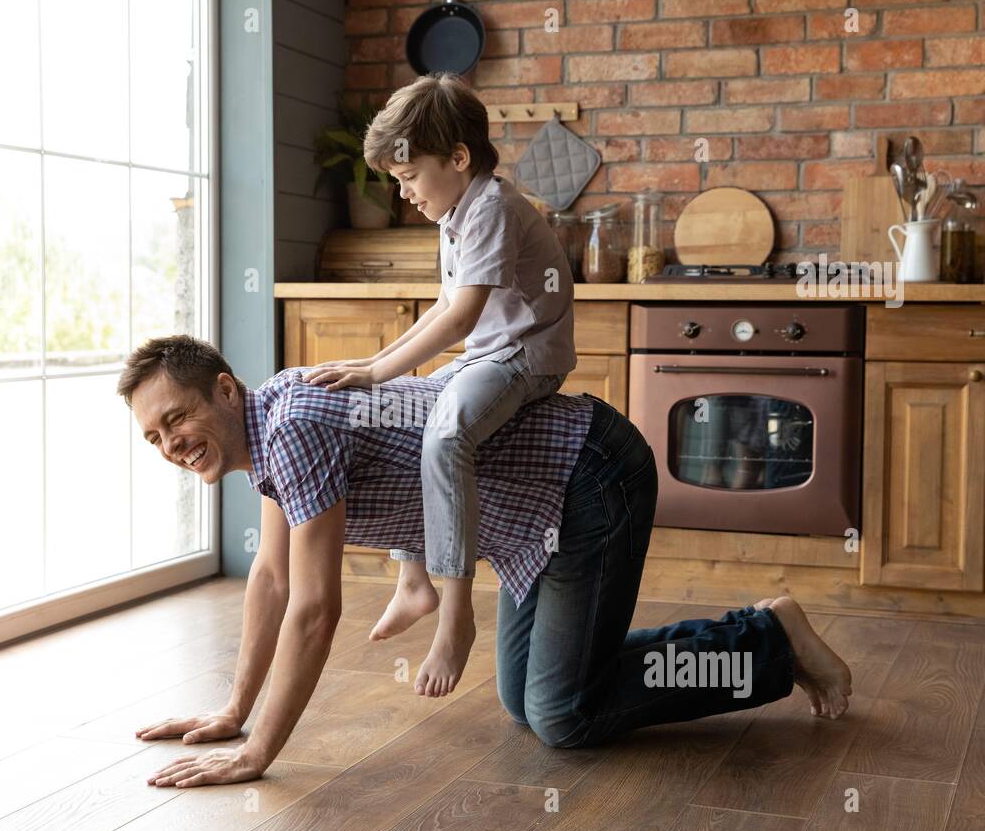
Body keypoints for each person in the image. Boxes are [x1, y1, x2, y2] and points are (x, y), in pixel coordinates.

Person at [117, 337, 853, 790]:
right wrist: (233, 713)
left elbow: (314, 610)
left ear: (222, 388)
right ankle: (757, 635)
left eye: (176, 418)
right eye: (153, 437)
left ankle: (767, 644)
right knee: (527, 701)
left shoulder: (294, 425)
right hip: (534, 514)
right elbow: (273, 582)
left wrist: (257, 755)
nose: (170, 444)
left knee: (565, 714)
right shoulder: (270, 428)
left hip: (587, 477)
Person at [302, 72, 576, 699]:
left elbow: (461, 318)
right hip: (489, 353)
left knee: (447, 436)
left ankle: (457, 613)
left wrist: (376, 369)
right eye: (396, 183)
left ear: (458, 159)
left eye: (408, 178)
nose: (404, 196)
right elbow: (440, 308)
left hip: (527, 356)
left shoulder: (494, 210)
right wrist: (375, 369)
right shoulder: (454, 212)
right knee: (400, 411)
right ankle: (412, 579)